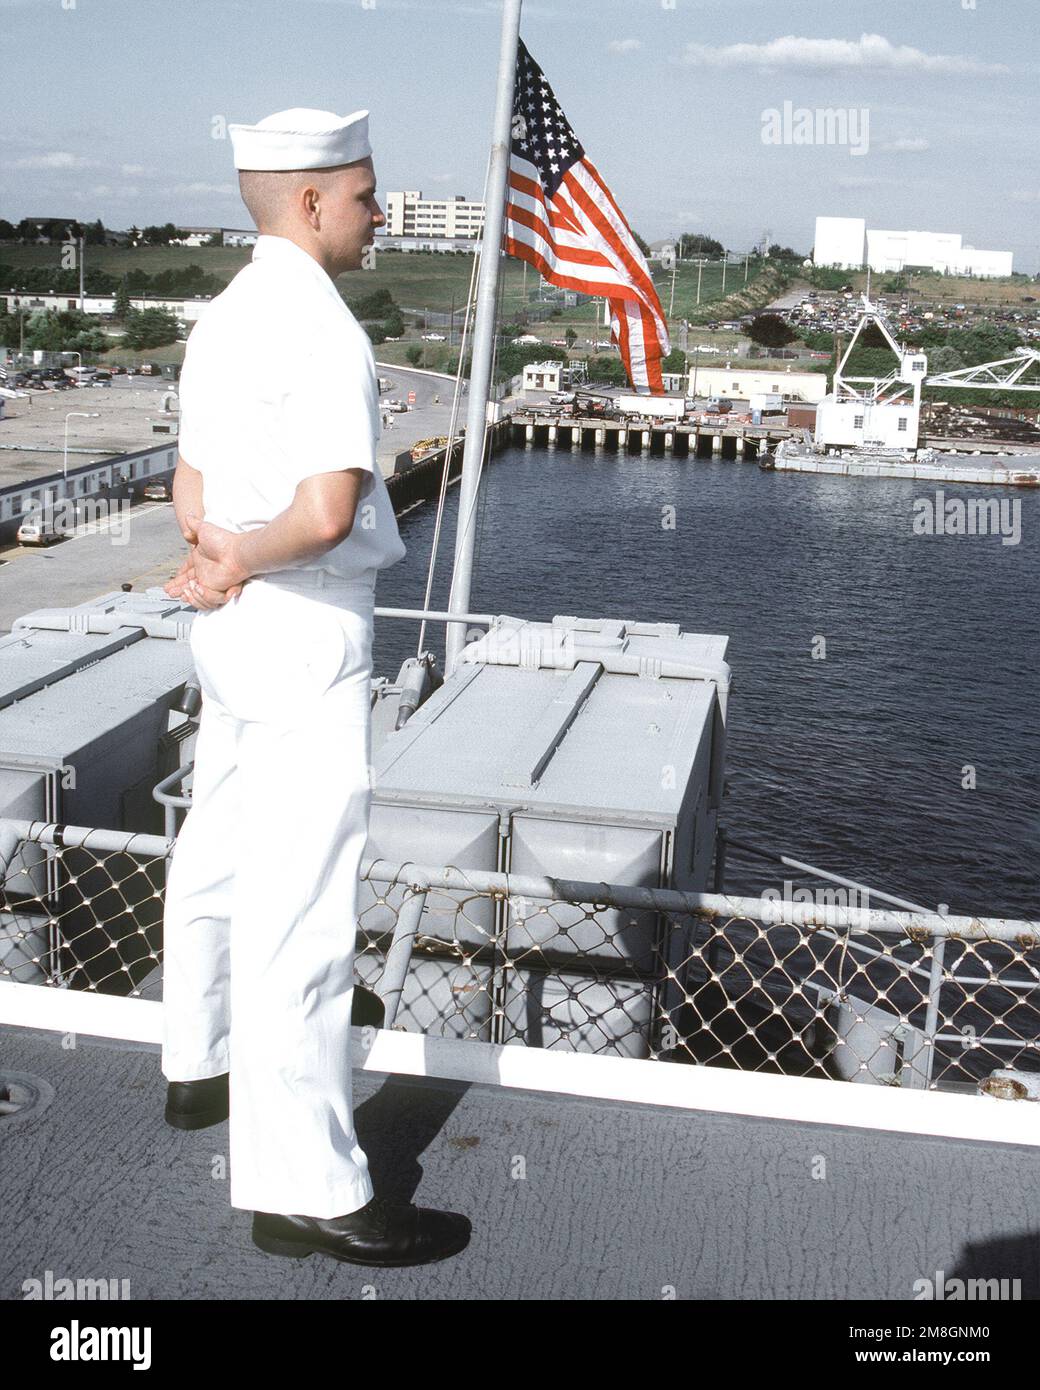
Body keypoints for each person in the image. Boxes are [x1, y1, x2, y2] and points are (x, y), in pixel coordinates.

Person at [160, 106, 470, 1268]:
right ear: (309, 201)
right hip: (300, 627)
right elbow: (329, 512)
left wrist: (214, 552)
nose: (379, 213)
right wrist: (245, 552)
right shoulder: (325, 330)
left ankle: (197, 1065)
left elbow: (193, 479)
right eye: (367, 195)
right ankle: (307, 1188)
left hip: (231, 630)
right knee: (302, 912)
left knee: (218, 848)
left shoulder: (222, 315)